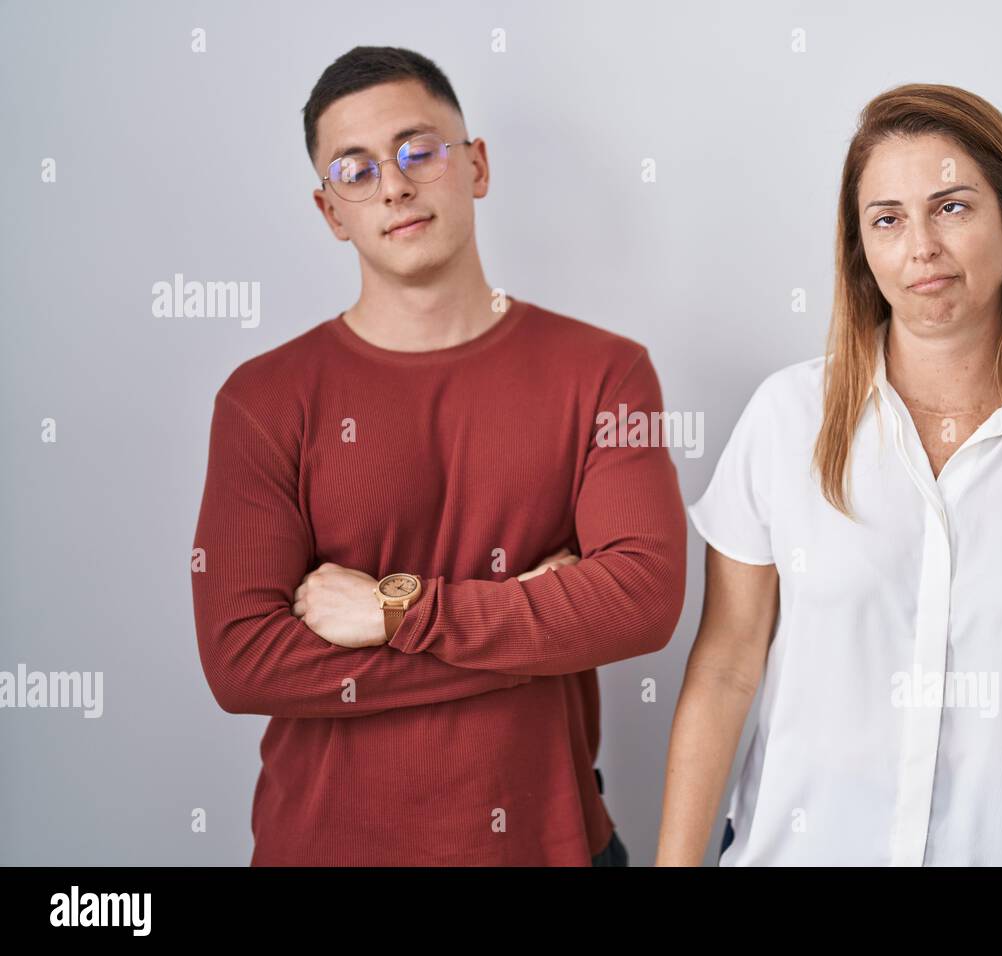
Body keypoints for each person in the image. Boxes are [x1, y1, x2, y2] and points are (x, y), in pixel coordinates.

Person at [656, 83, 1002, 866]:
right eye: (888, 219)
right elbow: (727, 668)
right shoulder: (784, 420)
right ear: (862, 251)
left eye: (951, 207)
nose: (921, 247)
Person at [190, 46, 685, 866]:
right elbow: (244, 662)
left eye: (418, 150)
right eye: (355, 171)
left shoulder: (605, 372)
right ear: (330, 212)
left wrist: (394, 610)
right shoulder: (263, 398)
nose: (393, 184)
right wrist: (526, 635)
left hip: (553, 848)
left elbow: (640, 601)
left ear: (477, 165)